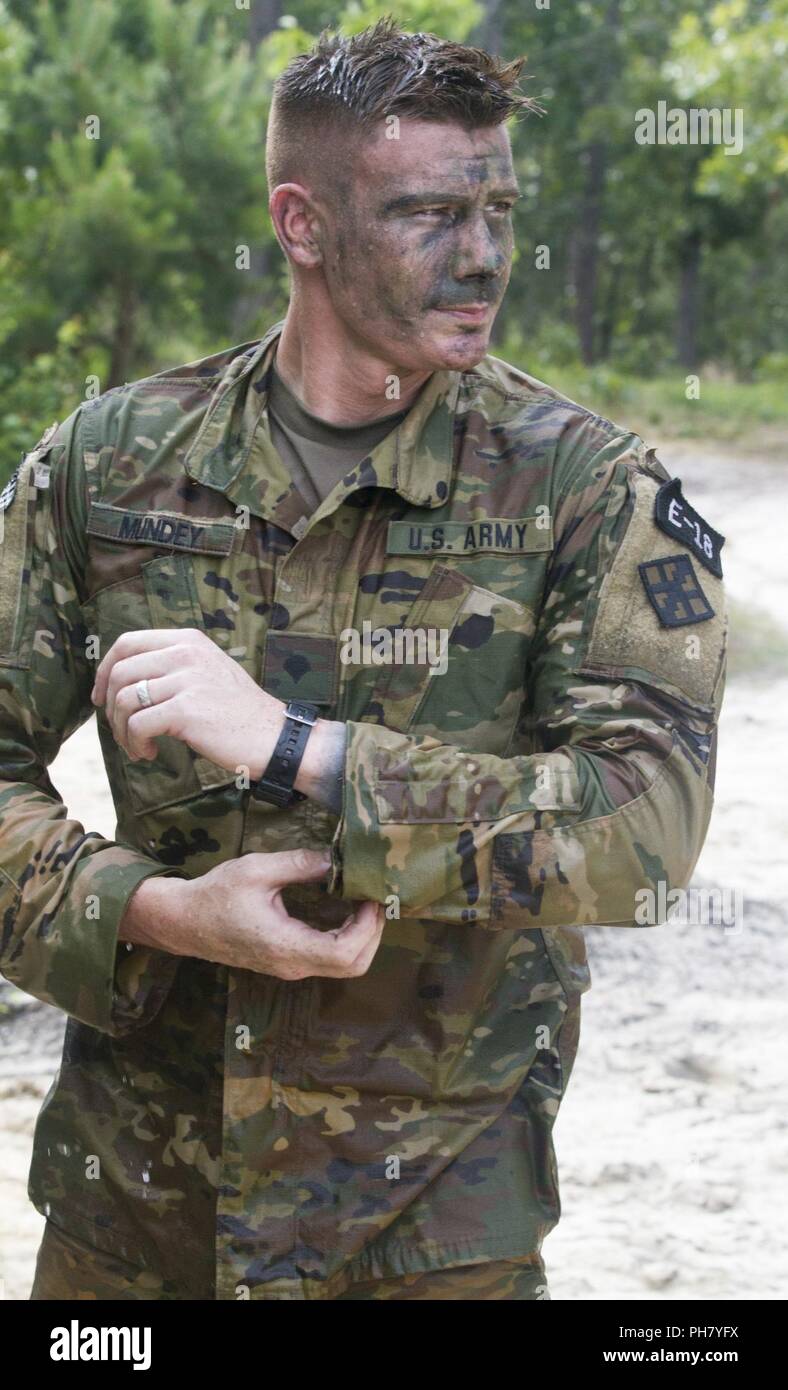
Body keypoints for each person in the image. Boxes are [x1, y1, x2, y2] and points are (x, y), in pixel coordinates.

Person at [0, 20, 727, 1302]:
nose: (485, 252)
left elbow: (646, 830)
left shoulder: (593, 491)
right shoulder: (110, 464)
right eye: (430, 211)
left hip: (437, 1236)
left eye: (499, 205)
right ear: (302, 223)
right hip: (135, 1228)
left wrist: (300, 749)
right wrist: (152, 913)